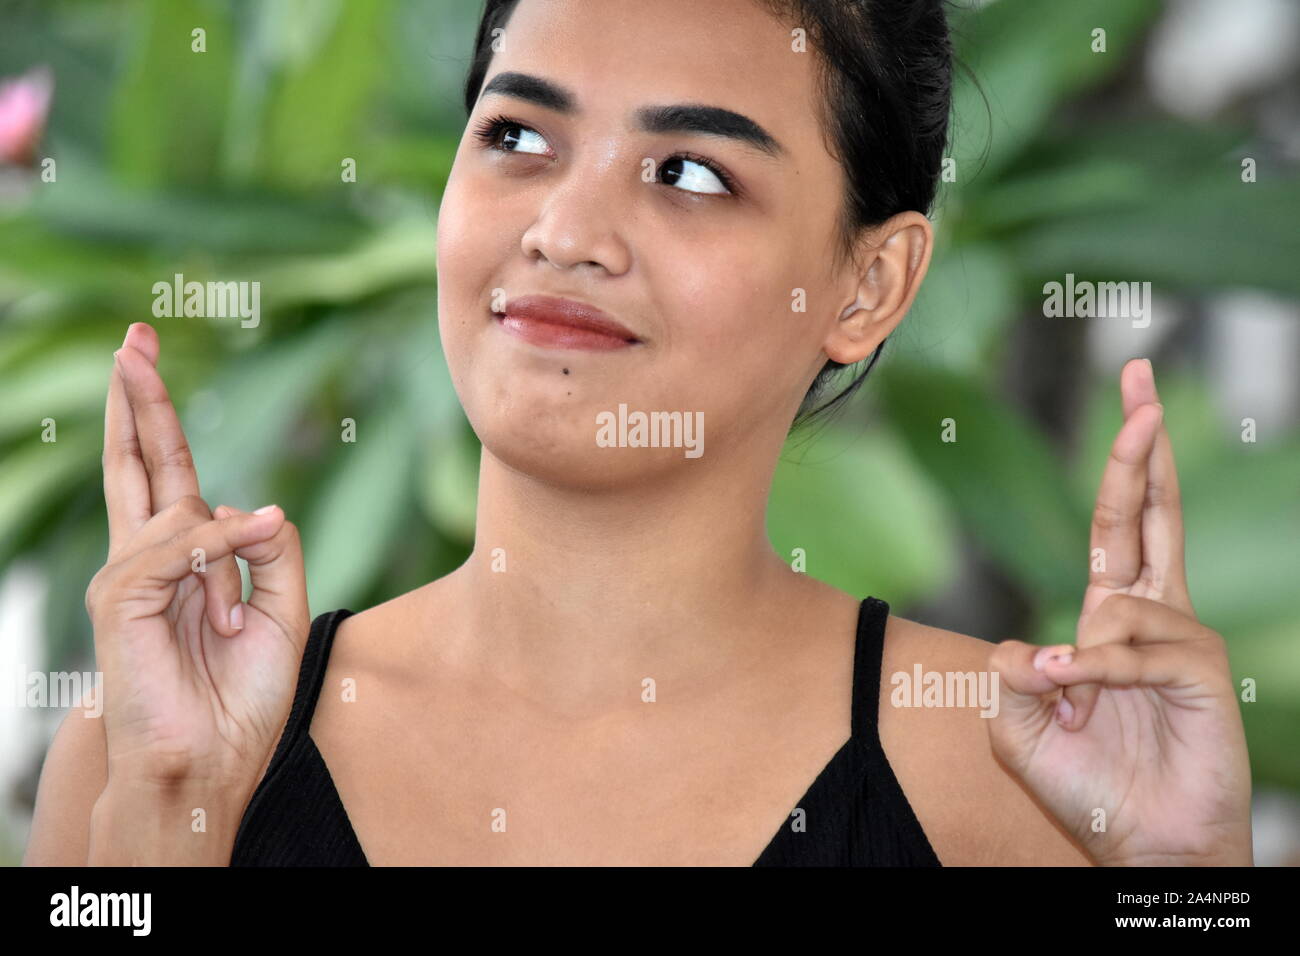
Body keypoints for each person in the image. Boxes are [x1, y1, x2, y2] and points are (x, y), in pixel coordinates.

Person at [25, 0, 1251, 866]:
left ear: (868, 285)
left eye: (691, 173)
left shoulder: (1011, 772)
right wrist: (173, 814)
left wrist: (1189, 885)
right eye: (516, 136)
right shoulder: (155, 743)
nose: (565, 228)